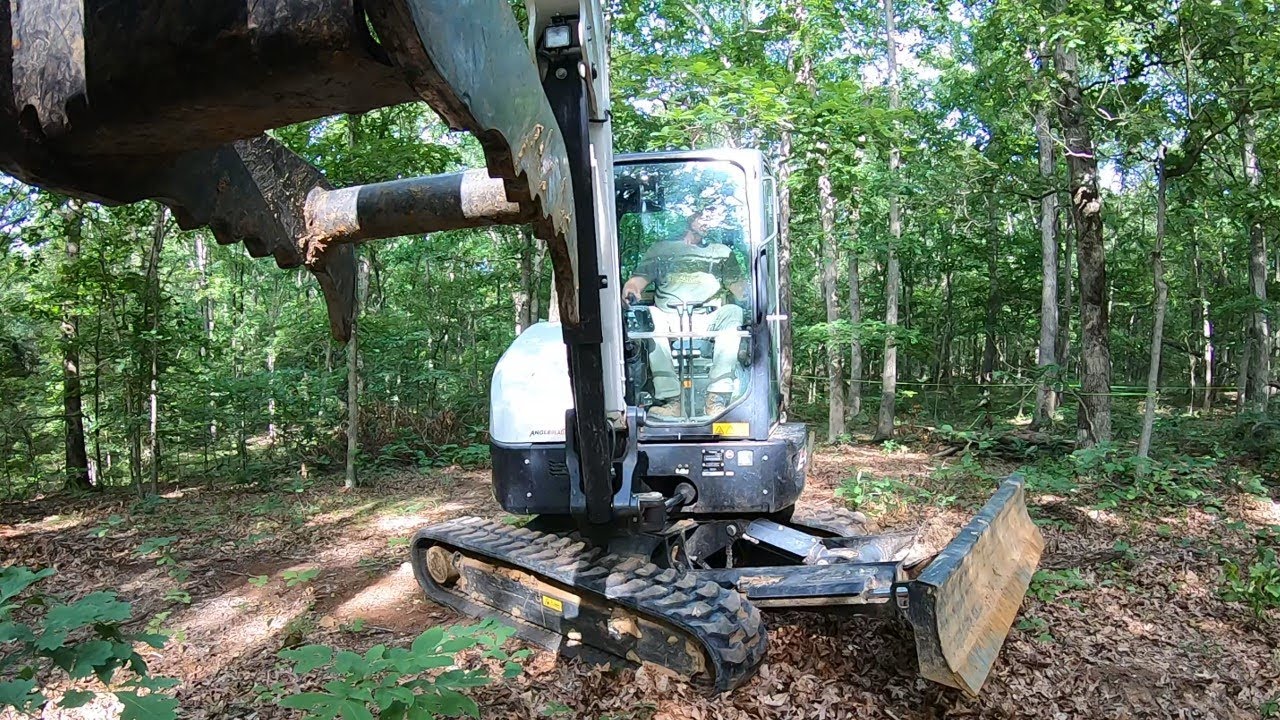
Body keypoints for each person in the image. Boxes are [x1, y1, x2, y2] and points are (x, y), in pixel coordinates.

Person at [622, 204, 748, 419]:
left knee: (733, 311)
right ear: (689, 215)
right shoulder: (661, 250)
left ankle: (716, 398)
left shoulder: (721, 253)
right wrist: (630, 290)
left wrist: (754, 291)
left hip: (708, 319)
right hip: (668, 318)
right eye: (703, 214)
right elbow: (636, 282)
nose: (709, 221)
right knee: (651, 315)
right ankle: (672, 400)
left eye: (712, 216)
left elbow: (740, 289)